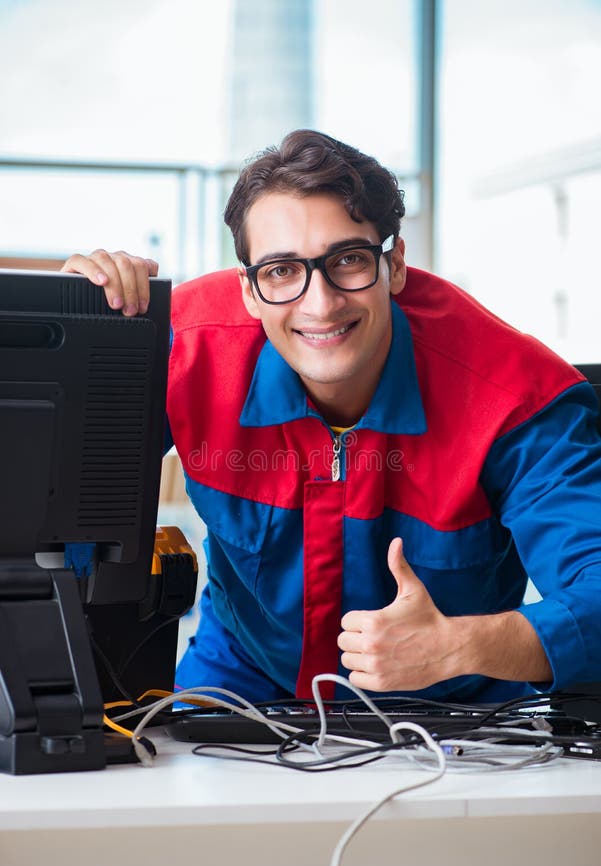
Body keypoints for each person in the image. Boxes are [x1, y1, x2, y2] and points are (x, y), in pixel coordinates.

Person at [63, 129, 601, 703]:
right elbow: (46, 508)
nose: (319, 303)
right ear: (247, 288)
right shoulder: (181, 347)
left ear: (394, 266)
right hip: (242, 684)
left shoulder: (516, 397)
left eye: (347, 260)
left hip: (455, 711)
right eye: (280, 271)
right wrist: (71, 353)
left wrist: (457, 646)